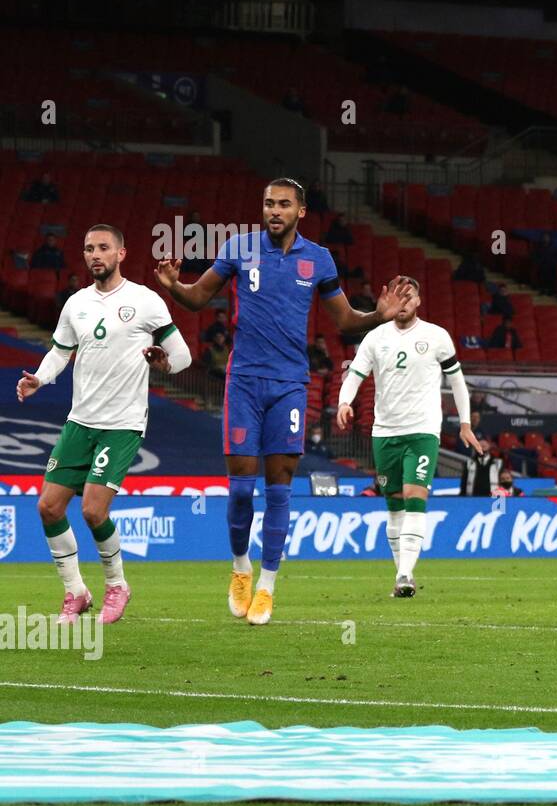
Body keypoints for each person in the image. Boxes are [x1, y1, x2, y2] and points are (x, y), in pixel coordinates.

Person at [154, 176, 415, 625]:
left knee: (279, 488)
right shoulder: (239, 247)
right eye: (268, 203)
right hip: (244, 382)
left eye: (283, 204)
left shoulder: (319, 259)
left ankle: (268, 586)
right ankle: (240, 568)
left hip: (290, 384)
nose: (274, 211)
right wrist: (175, 286)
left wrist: (378, 316)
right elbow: (198, 298)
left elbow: (346, 321)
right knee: (240, 488)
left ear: (301, 212)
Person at [16, 225, 191, 626]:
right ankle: (76, 591)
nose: (95, 254)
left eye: (103, 248)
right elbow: (60, 351)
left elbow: (182, 357)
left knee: (94, 511)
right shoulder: (76, 303)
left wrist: (163, 363)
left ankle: (117, 585)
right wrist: (39, 379)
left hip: (123, 423)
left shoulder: (144, 301)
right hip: (81, 421)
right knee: (48, 507)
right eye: (88, 248)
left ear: (121, 254)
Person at [338, 275, 480, 597]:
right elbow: (355, 375)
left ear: (418, 302)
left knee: (416, 497)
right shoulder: (375, 338)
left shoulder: (436, 336)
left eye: (409, 296)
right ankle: (400, 571)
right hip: (385, 431)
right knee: (394, 506)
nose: (403, 302)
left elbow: (457, 381)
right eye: (398, 297)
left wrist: (466, 423)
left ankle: (404, 575)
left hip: (422, 430)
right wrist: (344, 402)